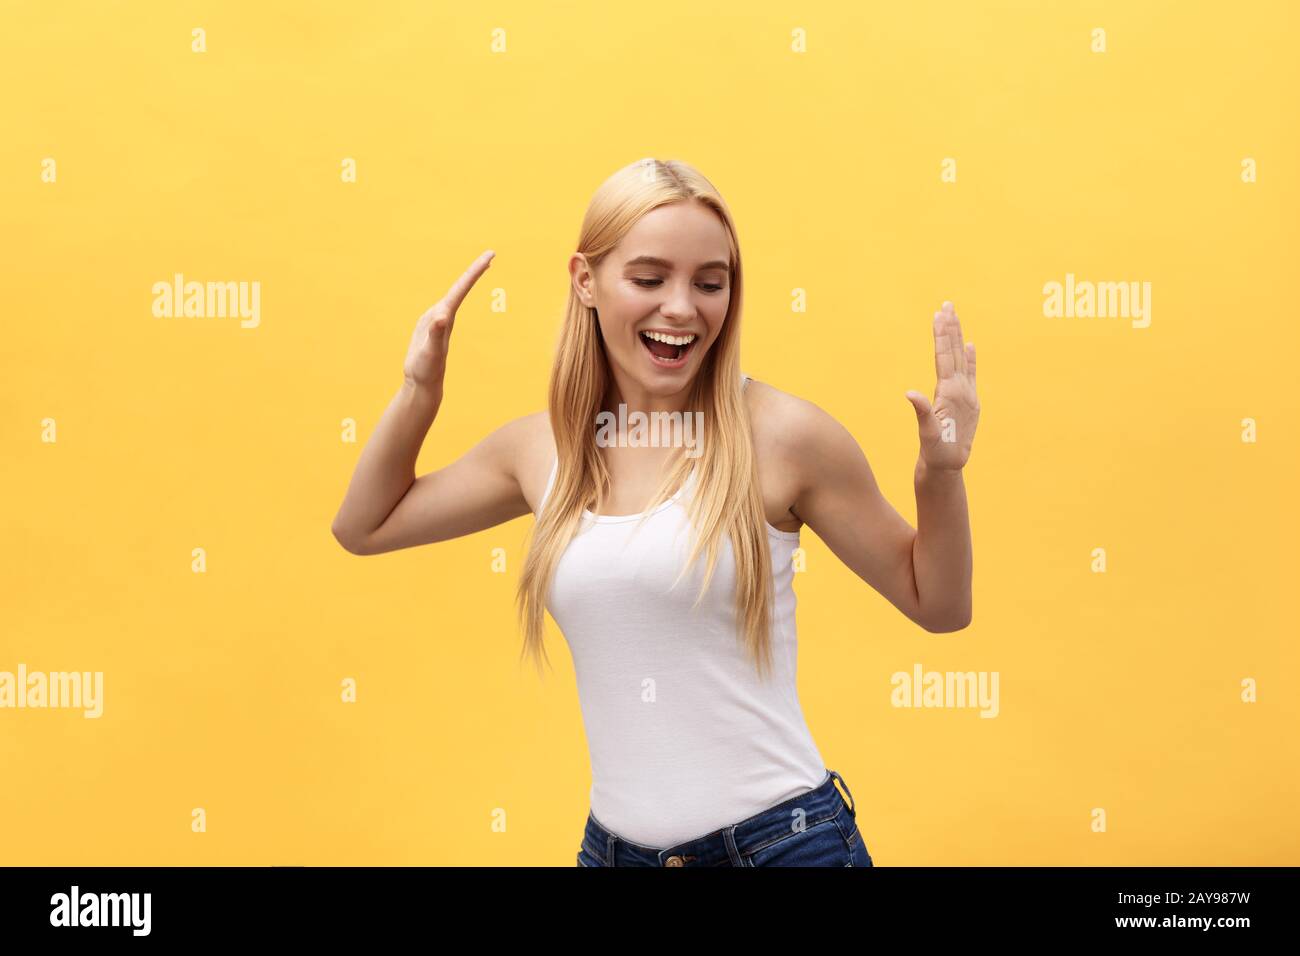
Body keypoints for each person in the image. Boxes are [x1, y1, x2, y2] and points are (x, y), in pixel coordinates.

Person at [331, 157, 979, 866]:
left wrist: (939, 473)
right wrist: (418, 391)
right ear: (586, 281)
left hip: (783, 848)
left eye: (711, 283)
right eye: (649, 279)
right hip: (614, 853)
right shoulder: (542, 448)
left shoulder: (784, 437)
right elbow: (366, 525)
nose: (682, 307)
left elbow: (938, 603)